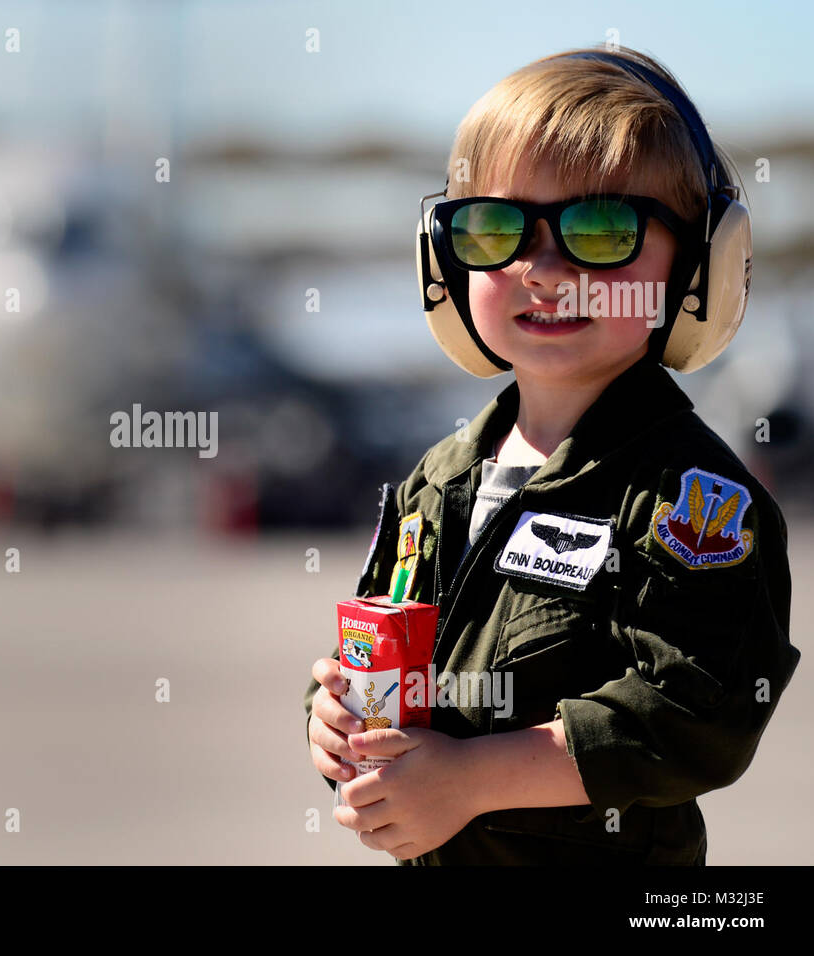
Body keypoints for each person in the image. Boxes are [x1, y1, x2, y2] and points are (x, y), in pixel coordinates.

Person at [303, 47, 801, 864]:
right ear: (448, 257)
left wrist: (470, 779)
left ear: (696, 265)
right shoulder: (438, 481)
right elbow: (379, 643)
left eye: (602, 230)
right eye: (497, 228)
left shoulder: (688, 501)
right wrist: (334, 715)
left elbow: (701, 715)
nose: (542, 270)